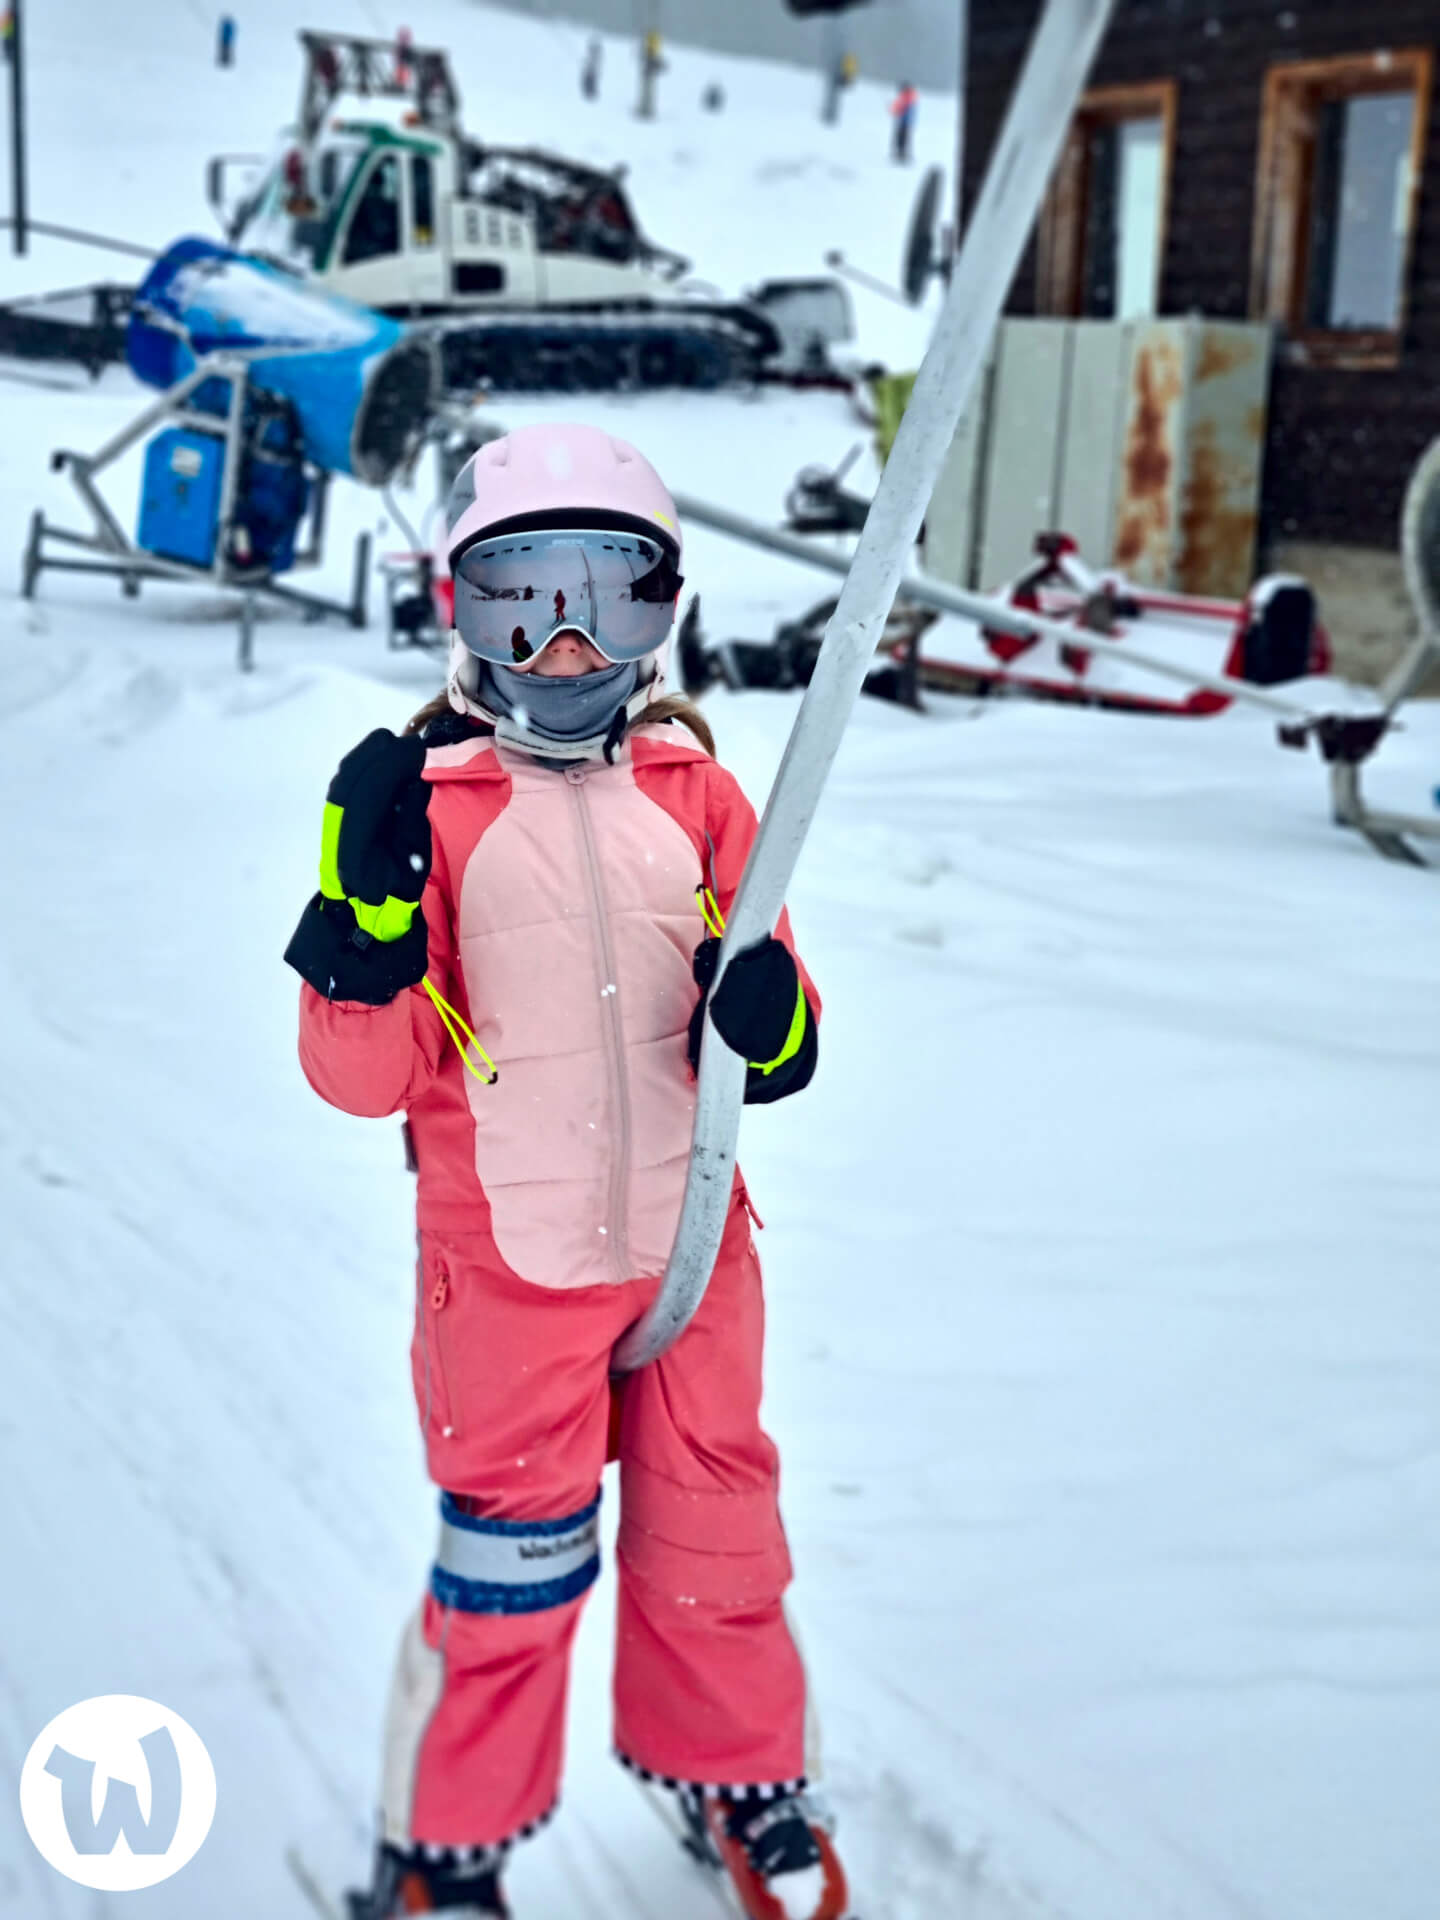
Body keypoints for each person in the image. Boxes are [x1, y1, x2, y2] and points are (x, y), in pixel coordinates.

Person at [284, 423, 851, 1920]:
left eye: (607, 593)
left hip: (691, 1258)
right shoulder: (431, 811)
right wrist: (364, 930)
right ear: (457, 611)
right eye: (520, 596)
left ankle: (736, 1774)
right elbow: (361, 1081)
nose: (563, 642)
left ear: (663, 612)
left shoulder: (704, 801)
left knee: (716, 1535)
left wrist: (768, 1018)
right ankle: (447, 1841)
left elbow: (780, 1008)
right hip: (509, 1282)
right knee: (511, 1569)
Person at [889, 80, 917, 163]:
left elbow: (899, 108)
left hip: (904, 122)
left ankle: (901, 154)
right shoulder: (910, 97)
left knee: (902, 139)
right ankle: (902, 154)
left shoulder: (907, 97)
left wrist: (893, 109)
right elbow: (898, 108)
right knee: (903, 138)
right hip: (907, 122)